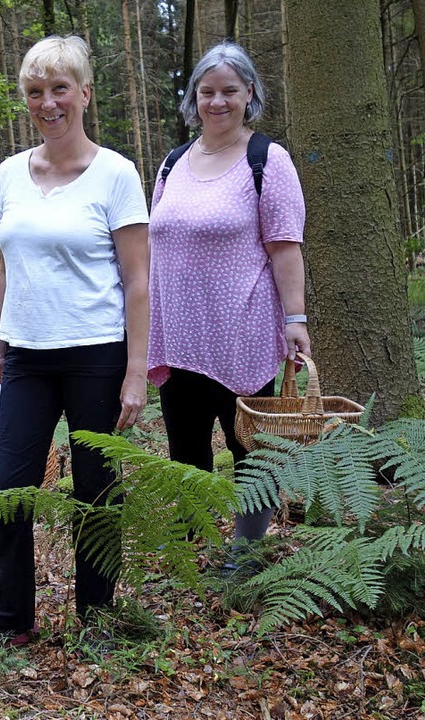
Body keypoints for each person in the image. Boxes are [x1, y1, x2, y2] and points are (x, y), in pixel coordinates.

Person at [0, 35, 150, 663]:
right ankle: (12, 620)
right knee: (9, 487)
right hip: (27, 358)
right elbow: (7, 270)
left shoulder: (117, 174)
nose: (48, 102)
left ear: (85, 94)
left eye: (59, 89)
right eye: (35, 92)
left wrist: (136, 373)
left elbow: (138, 281)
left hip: (97, 354)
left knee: (96, 491)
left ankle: (96, 617)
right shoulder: (10, 173)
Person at [147, 42, 310, 572]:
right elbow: (152, 246)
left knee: (250, 451)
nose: (217, 101)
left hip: (244, 330)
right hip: (179, 333)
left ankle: (246, 552)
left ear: (249, 95)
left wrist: (295, 319)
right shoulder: (173, 163)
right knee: (186, 448)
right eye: (207, 91)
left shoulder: (267, 159)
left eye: (229, 91)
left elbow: (285, 246)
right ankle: (191, 542)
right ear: (195, 97)